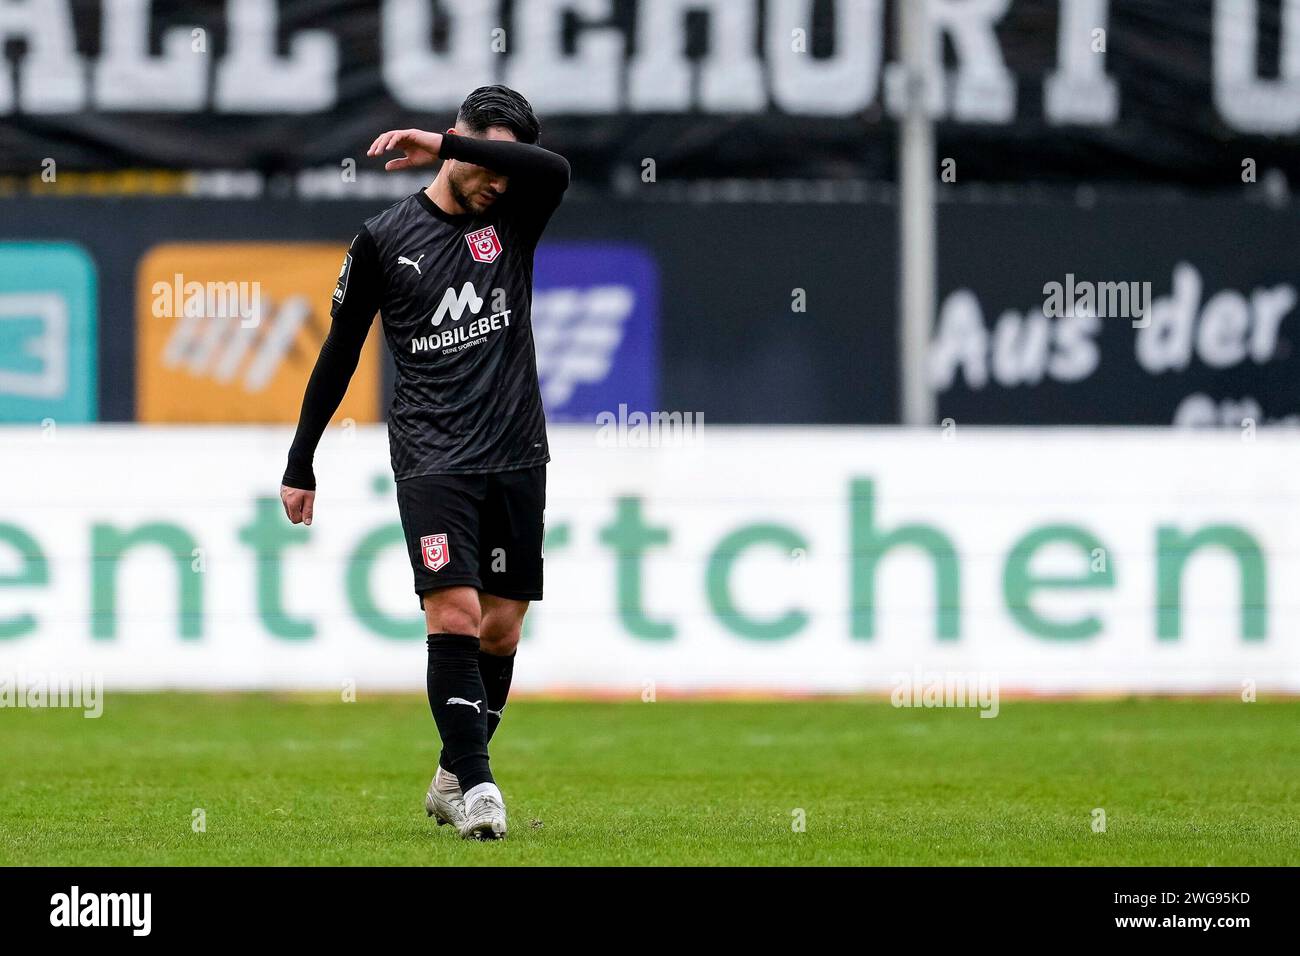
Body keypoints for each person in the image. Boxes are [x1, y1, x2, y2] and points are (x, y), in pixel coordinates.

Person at [280, 85, 570, 840]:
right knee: (455, 612)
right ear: (458, 134)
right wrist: (302, 457)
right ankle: (478, 787)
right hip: (432, 455)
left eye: (504, 166)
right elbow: (339, 351)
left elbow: (556, 167)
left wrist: (452, 151)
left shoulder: (514, 213)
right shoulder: (383, 237)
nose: (496, 180)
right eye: (484, 160)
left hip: (516, 450)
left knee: (502, 629)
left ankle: (450, 773)